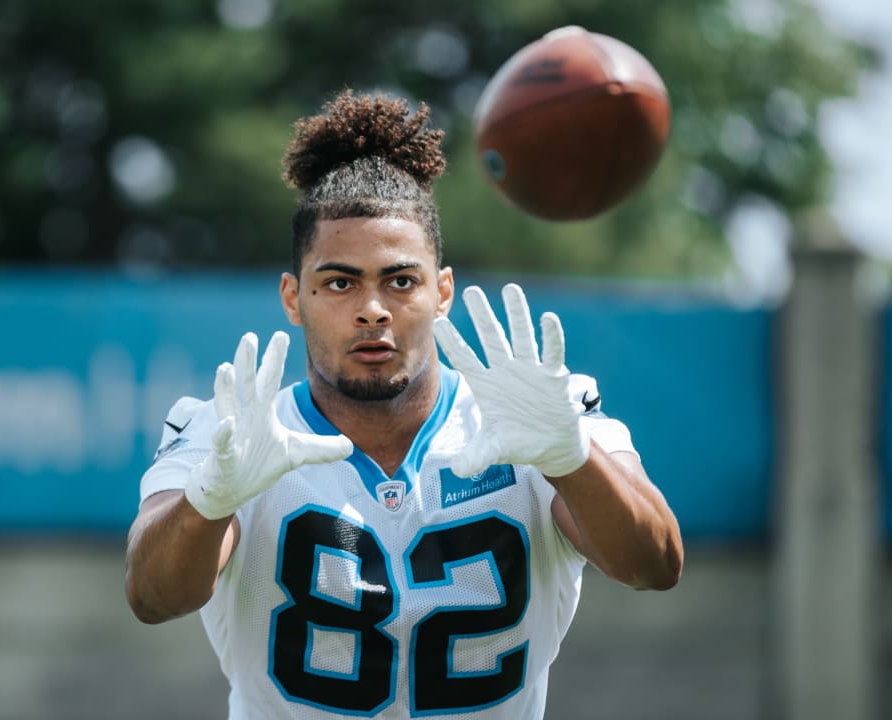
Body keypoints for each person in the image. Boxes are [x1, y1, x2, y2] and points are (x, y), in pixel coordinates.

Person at [125, 89, 683, 719]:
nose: (372, 308)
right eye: (339, 282)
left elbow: (653, 564)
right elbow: (152, 596)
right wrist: (209, 502)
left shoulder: (538, 416)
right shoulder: (235, 433)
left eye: (400, 280)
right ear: (292, 296)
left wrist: (572, 456)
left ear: (442, 291)